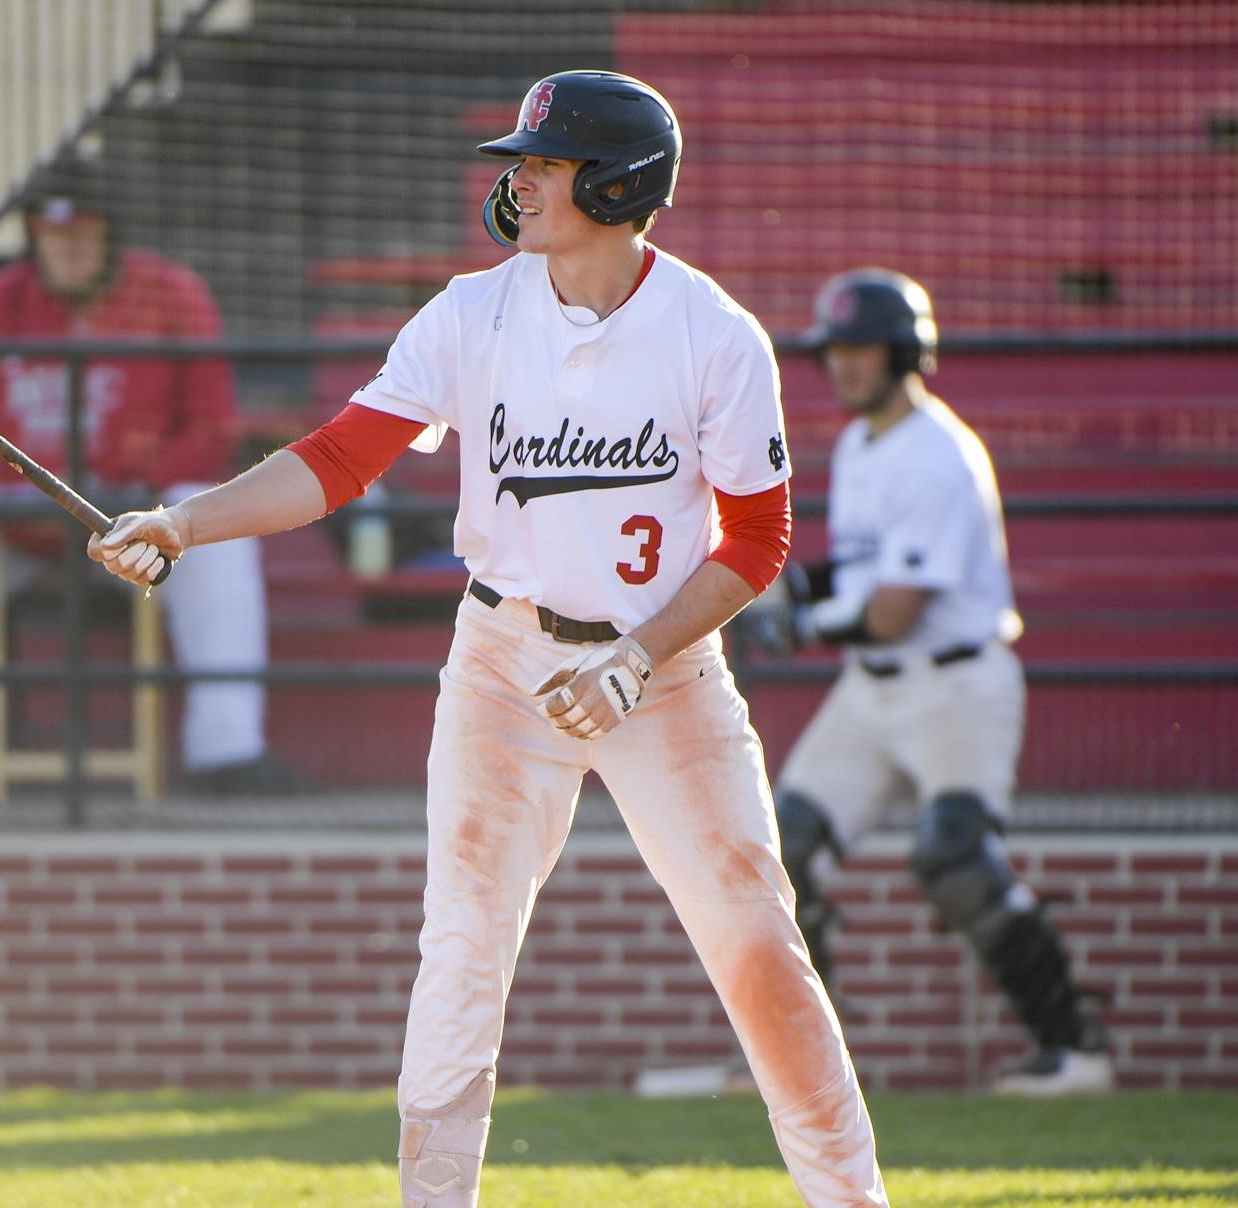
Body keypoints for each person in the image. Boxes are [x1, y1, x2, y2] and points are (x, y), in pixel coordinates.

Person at [90, 71, 888, 1207]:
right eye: (521, 162)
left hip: (660, 671)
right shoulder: (471, 313)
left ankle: (852, 1199)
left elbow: (759, 538)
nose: (520, 181)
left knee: (755, 939)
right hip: (503, 662)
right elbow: (339, 459)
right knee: (462, 943)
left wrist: (635, 656)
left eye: (546, 164)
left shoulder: (713, 333)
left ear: (619, 185)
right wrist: (182, 523)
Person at [760, 267, 1114, 1096]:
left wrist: (794, 622)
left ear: (905, 351)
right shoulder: (862, 444)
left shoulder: (939, 452)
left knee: (956, 859)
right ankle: (807, 1071)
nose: (845, 363)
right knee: (780, 854)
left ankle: (1075, 1052)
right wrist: (783, 588)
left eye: (863, 346)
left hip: (955, 687)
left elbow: (895, 611)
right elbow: (862, 570)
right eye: (835, 349)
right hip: (871, 688)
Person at [0, 160, 299, 800]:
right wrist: (5, 493)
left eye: (83, 234)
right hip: (15, 529)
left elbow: (212, 431)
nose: (68, 250)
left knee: (217, 530)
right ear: (33, 237)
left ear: (110, 236)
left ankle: (228, 750)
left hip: (137, 528)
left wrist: (135, 489)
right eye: (53, 235)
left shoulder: (172, 296)